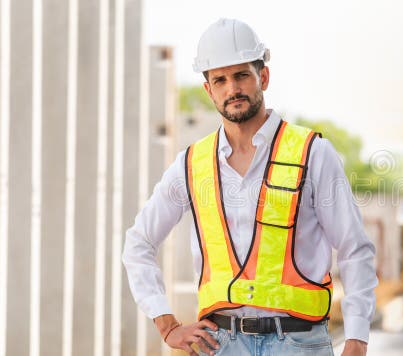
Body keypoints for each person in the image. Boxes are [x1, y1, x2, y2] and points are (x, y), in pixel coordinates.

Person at [122, 18, 377, 356]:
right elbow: (138, 243)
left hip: (299, 344)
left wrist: (357, 339)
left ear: (263, 77)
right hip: (222, 343)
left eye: (241, 75)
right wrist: (166, 324)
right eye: (220, 80)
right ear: (209, 90)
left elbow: (354, 248)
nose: (232, 89)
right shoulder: (192, 164)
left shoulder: (312, 153)